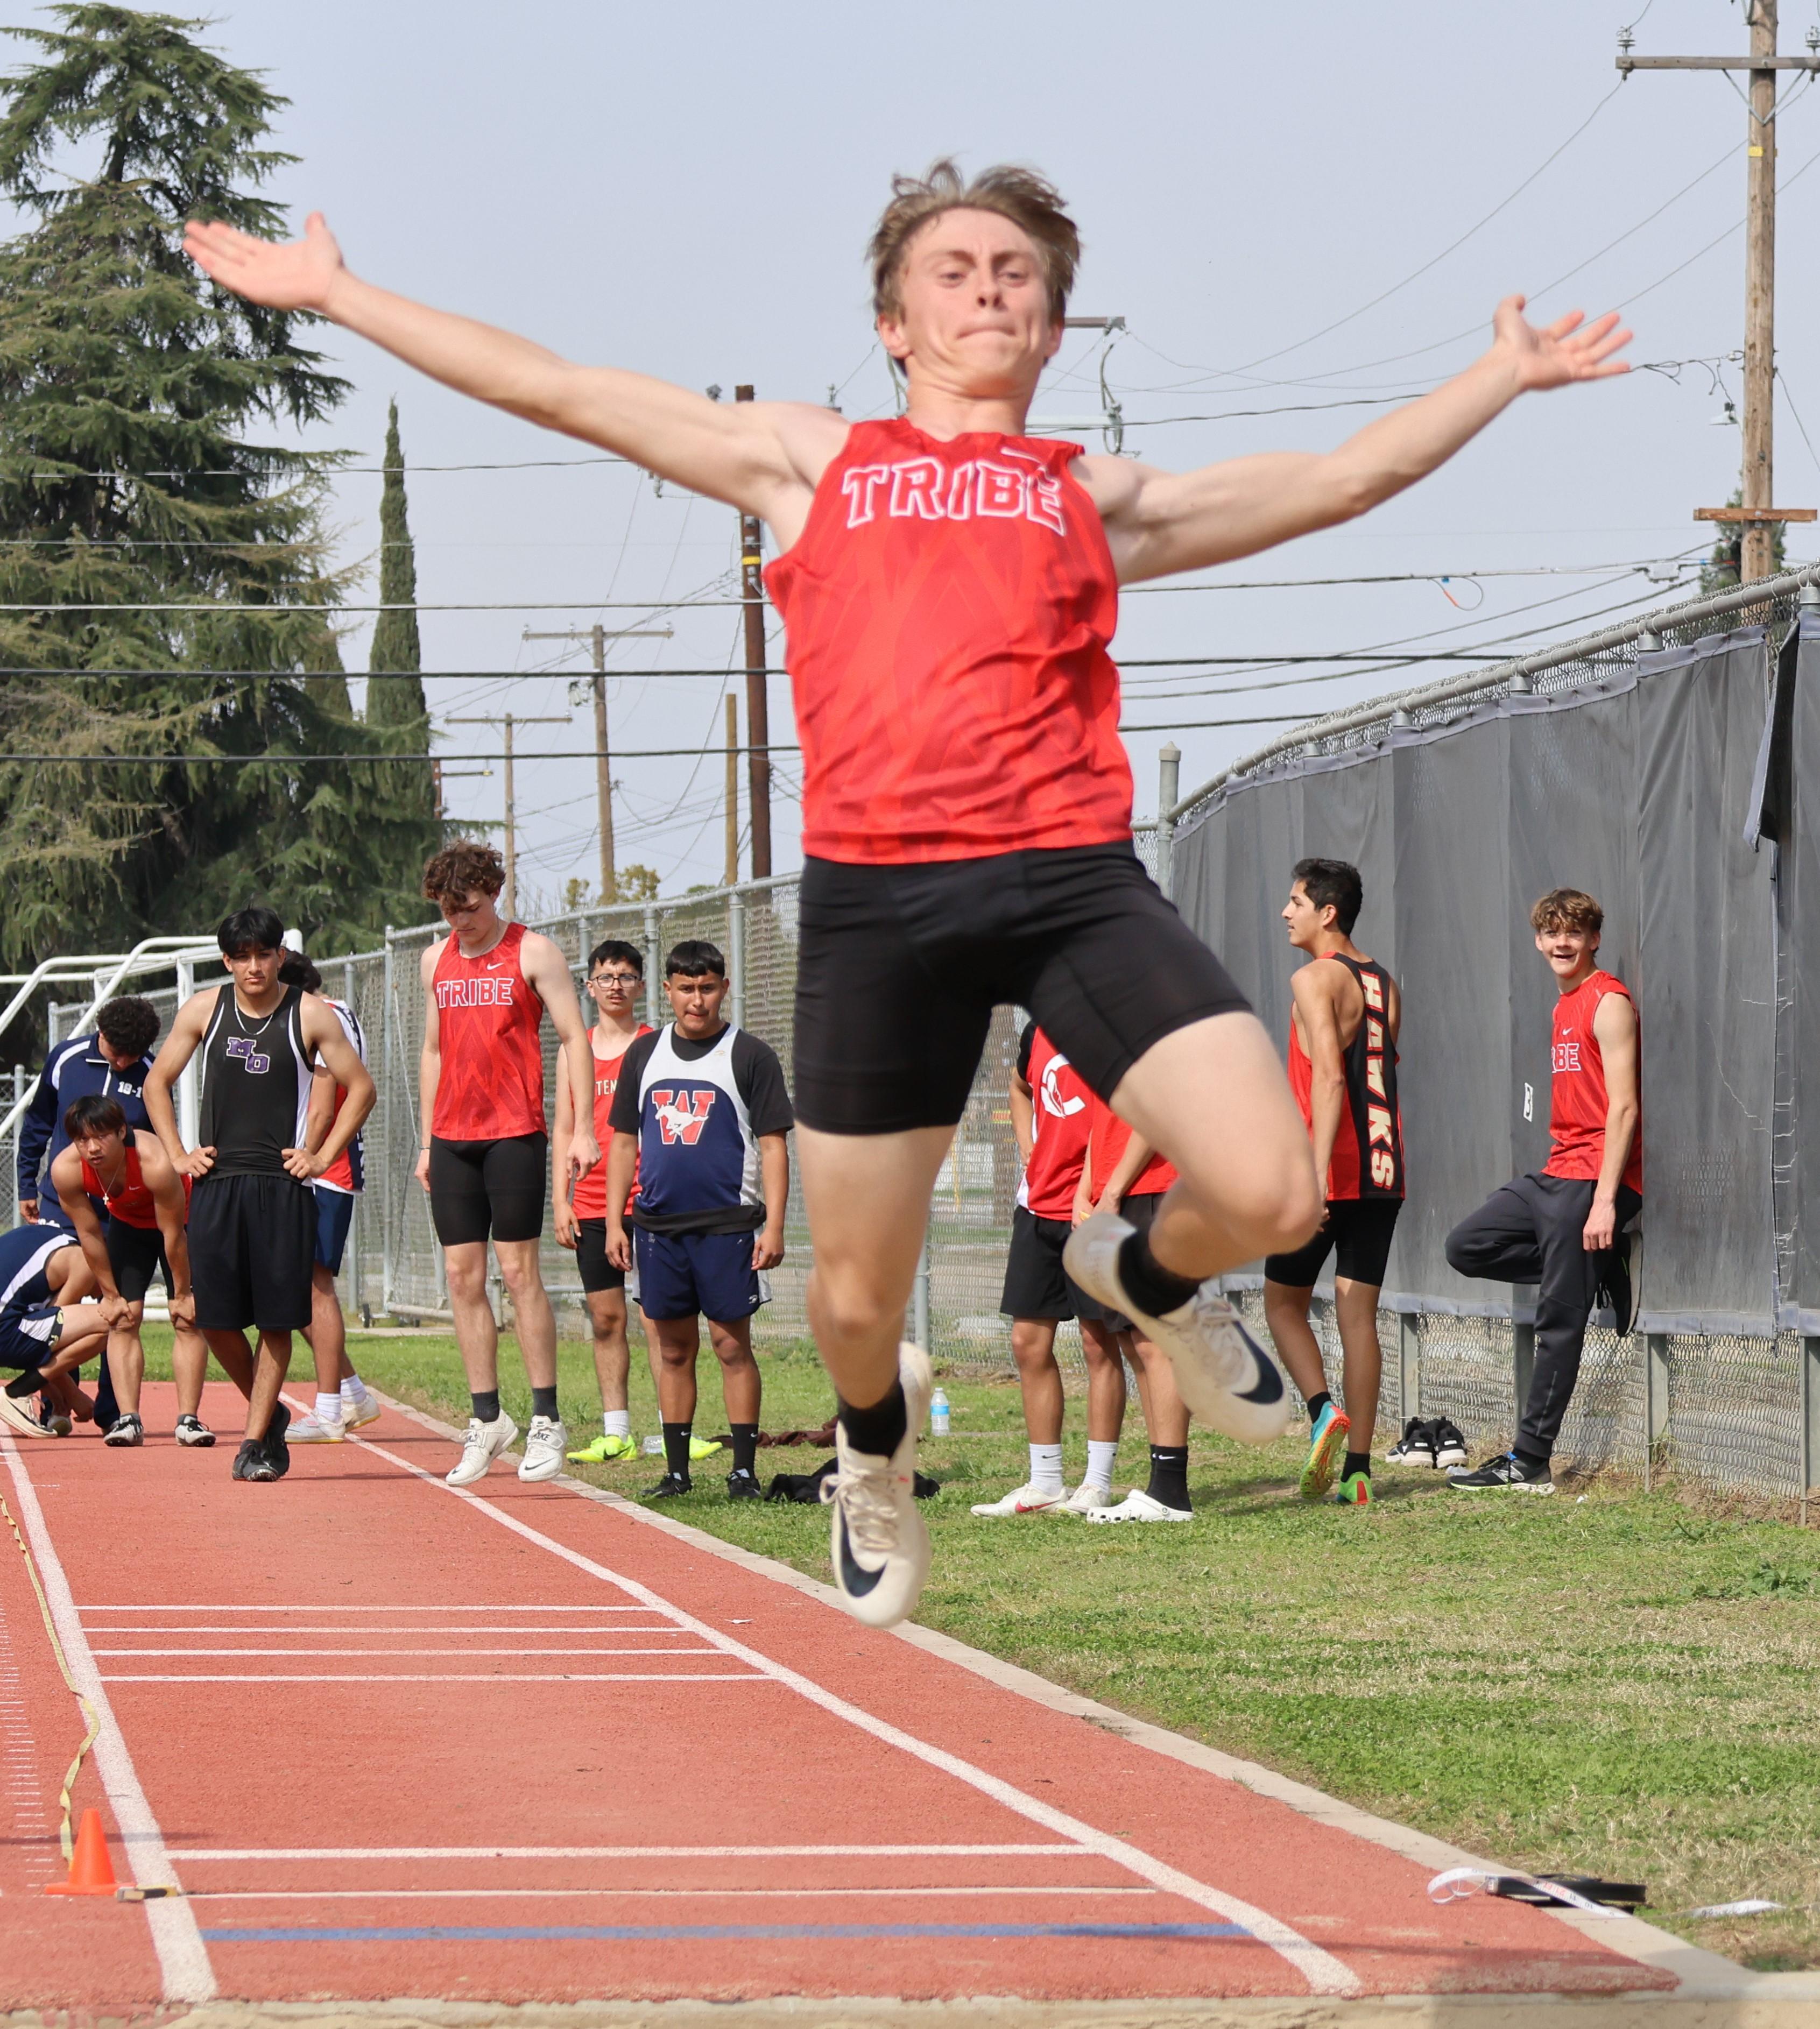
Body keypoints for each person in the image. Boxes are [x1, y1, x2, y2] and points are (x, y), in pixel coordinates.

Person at [187, 159, 1631, 1622]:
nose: (987, 286)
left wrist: (1496, 374)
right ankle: (871, 1449)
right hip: (882, 901)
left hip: (1069, 879)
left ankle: (1134, 1266)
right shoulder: (811, 462)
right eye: (954, 268)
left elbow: (1338, 481)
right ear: (892, 319)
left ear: (1054, 327)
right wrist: (340, 294)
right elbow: (559, 387)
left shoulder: (1095, 496)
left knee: (1264, 1182)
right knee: (856, 1298)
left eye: (1014, 271)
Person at [143, 906, 376, 1483]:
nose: (253, 966)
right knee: (214, 1319)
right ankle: (268, 1415)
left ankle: (252, 1443)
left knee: (276, 1321)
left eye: (263, 954)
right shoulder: (205, 1009)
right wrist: (176, 1154)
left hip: (282, 1184)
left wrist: (321, 1156)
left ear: (279, 957)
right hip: (217, 1184)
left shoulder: (310, 1013)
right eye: (241, 956)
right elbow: (156, 1082)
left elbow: (361, 1089)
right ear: (227, 961)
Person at [1444, 888, 1642, 1494]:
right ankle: (1590, 1266)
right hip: (1555, 1170)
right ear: (1538, 940)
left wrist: (1606, 1201)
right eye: (1552, 933)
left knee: (1557, 1317)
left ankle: (1529, 1460)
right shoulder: (1562, 1005)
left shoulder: (1608, 1002)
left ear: (1594, 940)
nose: (1562, 943)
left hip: (1591, 1179)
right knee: (1465, 1246)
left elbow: (1626, 1108)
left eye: (1574, 934)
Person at [414, 842, 597, 1488]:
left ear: (493, 893)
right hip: (452, 1137)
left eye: (468, 908)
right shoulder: (434, 958)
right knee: (462, 1278)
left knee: (518, 1271)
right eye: (447, 910)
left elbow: (576, 1037)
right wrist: (426, 1139)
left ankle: (546, 1419)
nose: (459, 921)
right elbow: (433, 1050)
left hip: (515, 1132)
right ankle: (487, 1419)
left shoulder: (533, 951)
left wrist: (581, 1131)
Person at [603, 941, 791, 1501]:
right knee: (673, 1350)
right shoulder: (644, 1055)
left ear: (723, 989)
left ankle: (742, 1471)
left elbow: (774, 1146)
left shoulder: (749, 1055)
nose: (697, 1000)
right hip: (657, 1231)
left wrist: (774, 1225)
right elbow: (621, 1142)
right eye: (685, 988)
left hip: (728, 1228)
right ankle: (677, 1471)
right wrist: (616, 1221)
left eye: (707, 987)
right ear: (667, 991)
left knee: (731, 1346)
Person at [1262, 860, 1405, 1509]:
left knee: (1281, 1304)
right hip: (1384, 1169)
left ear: (1328, 913)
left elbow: (1326, 1077)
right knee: (1358, 1318)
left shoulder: (1311, 979)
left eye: (1295, 902)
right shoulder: (1383, 983)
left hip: (1328, 1171)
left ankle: (1322, 1410)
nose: (1286, 913)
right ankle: (1358, 1471)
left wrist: (1316, 1177)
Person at [973, 1022, 1133, 1518]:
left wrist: (1106, 1190)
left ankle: (1097, 1482)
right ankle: (1044, 1481)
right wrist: (1028, 1146)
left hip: (1089, 1210)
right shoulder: (1036, 1032)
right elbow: (1020, 1085)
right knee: (1028, 1341)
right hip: (1036, 1207)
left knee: (1096, 1341)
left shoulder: (1111, 1028)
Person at [17, 993, 161, 1432]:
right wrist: (27, 1182)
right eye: (118, 1053)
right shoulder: (66, 1059)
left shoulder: (150, 1072)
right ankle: (56, 1402)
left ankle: (113, 1410)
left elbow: (154, 1139)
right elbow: (39, 1122)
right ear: (102, 1035)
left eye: (132, 1057)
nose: (123, 1063)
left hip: (119, 1211)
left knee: (116, 1303)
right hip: (64, 1202)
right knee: (59, 1304)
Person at [47, 1095, 211, 1448]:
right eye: (82, 1140)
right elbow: (89, 1233)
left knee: (186, 1318)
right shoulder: (66, 1169)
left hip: (179, 1224)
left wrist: (182, 1293)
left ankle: (189, 1420)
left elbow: (173, 1234)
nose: (92, 1148)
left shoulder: (153, 1159)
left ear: (122, 1131)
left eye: (101, 1137)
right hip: (127, 1225)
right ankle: (128, 1419)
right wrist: (109, 1293)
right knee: (123, 1317)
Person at [1074, 1092, 1199, 1524]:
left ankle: (1171, 1488)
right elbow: (1102, 1121)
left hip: (1155, 1188)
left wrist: (1111, 1190)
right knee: (1132, 1340)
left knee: (1155, 1341)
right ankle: (1160, 1484)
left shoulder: (1143, 1026)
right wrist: (1085, 1190)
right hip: (1121, 1192)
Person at [555, 939, 655, 1464]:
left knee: (662, 1317)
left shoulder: (655, 1044)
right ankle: (616, 1430)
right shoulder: (576, 1050)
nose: (615, 985)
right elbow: (565, 1127)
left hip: (651, 1200)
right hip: (591, 1204)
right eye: (606, 976)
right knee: (606, 1319)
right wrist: (560, 1201)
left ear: (640, 985)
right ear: (589, 986)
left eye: (625, 976)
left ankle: (670, 1429)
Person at [276, 954, 382, 1443]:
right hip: (318, 1165)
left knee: (315, 1288)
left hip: (325, 1168)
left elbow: (322, 1105)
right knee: (300, 1289)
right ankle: (352, 1392)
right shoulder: (335, 1011)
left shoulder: (324, 1017)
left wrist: (310, 1156)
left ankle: (329, 1410)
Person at [0, 1222, 109, 1440]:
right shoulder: (84, 1264)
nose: (95, 1296)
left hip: (7, 1324)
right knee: (112, 1322)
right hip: (4, 1331)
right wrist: (74, 1396)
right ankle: (16, 1393)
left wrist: (57, 1397)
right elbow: (52, 1344)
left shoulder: (46, 1240)